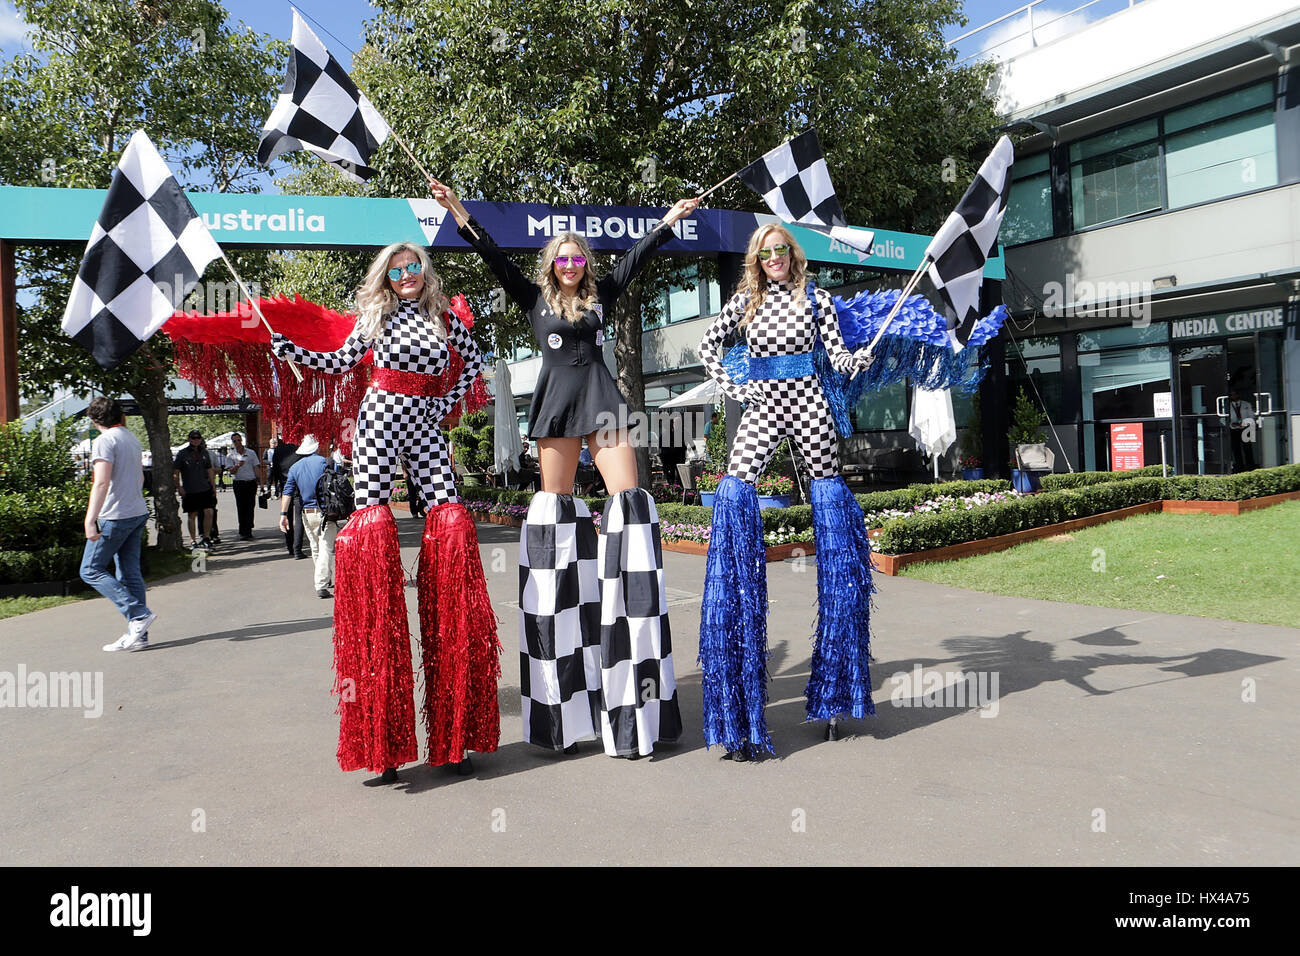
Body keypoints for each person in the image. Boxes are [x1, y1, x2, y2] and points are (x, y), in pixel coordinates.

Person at [431, 179, 696, 759]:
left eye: (579, 257)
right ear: (551, 265)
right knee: (552, 523)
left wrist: (671, 218)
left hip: (603, 404)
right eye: (563, 257)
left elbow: (638, 256)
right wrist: (457, 209)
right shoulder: (532, 298)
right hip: (555, 408)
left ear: (585, 264)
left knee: (629, 510)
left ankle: (632, 677)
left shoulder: (603, 296)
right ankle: (561, 696)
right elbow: (492, 255)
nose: (572, 264)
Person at [272, 241, 500, 784]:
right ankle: (382, 740)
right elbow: (339, 362)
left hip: (424, 425)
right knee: (370, 532)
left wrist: (444, 405)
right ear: (386, 276)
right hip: (377, 421)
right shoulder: (373, 318)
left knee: (450, 524)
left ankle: (455, 735)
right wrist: (292, 351)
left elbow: (476, 365)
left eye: (413, 266)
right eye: (396, 270)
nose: (406, 275)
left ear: (425, 270)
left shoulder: (445, 320)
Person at [697, 224, 877, 761]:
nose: (774, 257)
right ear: (756, 259)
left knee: (831, 504)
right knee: (733, 490)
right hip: (763, 405)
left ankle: (837, 687)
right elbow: (709, 347)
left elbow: (837, 356)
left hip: (809, 403)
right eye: (765, 252)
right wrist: (737, 386)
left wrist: (855, 361)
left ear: (791, 255)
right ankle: (736, 697)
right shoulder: (744, 303)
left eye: (781, 250)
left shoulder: (815, 297)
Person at [82, 398, 157, 652]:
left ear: (95, 420)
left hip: (115, 515)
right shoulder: (130, 437)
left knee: (90, 569)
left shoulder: (104, 441)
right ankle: (140, 635)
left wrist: (90, 519)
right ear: (120, 416)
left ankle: (138, 615)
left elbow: (101, 483)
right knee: (129, 573)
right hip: (135, 511)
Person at [280, 434, 336, 598]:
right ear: (316, 447)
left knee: (316, 548)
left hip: (307, 513)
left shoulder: (295, 468)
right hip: (326, 512)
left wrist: (283, 514)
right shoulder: (325, 462)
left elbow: (287, 492)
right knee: (326, 547)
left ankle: (325, 578)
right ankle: (321, 584)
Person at [173, 429, 216, 550]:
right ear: (189, 439)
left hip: (205, 487)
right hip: (190, 489)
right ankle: (193, 540)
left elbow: (209, 469)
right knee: (192, 515)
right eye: (193, 438)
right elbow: (176, 471)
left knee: (209, 512)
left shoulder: (204, 452)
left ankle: (206, 537)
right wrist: (179, 487)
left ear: (201, 439)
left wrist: (213, 486)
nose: (196, 440)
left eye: (198, 438)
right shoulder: (182, 453)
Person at [224, 432, 265, 541]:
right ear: (232, 442)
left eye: (238, 440)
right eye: (234, 441)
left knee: (250, 505)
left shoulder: (251, 453)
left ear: (241, 440)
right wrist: (237, 465)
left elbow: (256, 467)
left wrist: (261, 483)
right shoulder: (230, 455)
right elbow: (231, 472)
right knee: (241, 506)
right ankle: (243, 530)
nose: (237, 442)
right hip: (239, 483)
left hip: (250, 482)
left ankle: (249, 528)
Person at [1227, 389, 1256, 473]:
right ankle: (1240, 469)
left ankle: (1251, 468)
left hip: (1246, 429)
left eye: (1235, 394)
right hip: (1233, 430)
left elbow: (1252, 416)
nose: (1234, 396)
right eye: (1232, 395)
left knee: (1248, 449)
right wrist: (1231, 424)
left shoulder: (1246, 404)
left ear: (1238, 395)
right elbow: (1223, 418)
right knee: (1236, 450)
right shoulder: (1227, 406)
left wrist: (1244, 423)